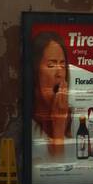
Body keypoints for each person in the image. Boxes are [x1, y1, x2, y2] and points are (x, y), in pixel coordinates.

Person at [31, 31, 72, 160]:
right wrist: (58, 127)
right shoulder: (23, 124)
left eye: (63, 65)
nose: (59, 73)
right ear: (35, 72)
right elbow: (55, 168)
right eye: (51, 65)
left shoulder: (78, 121)